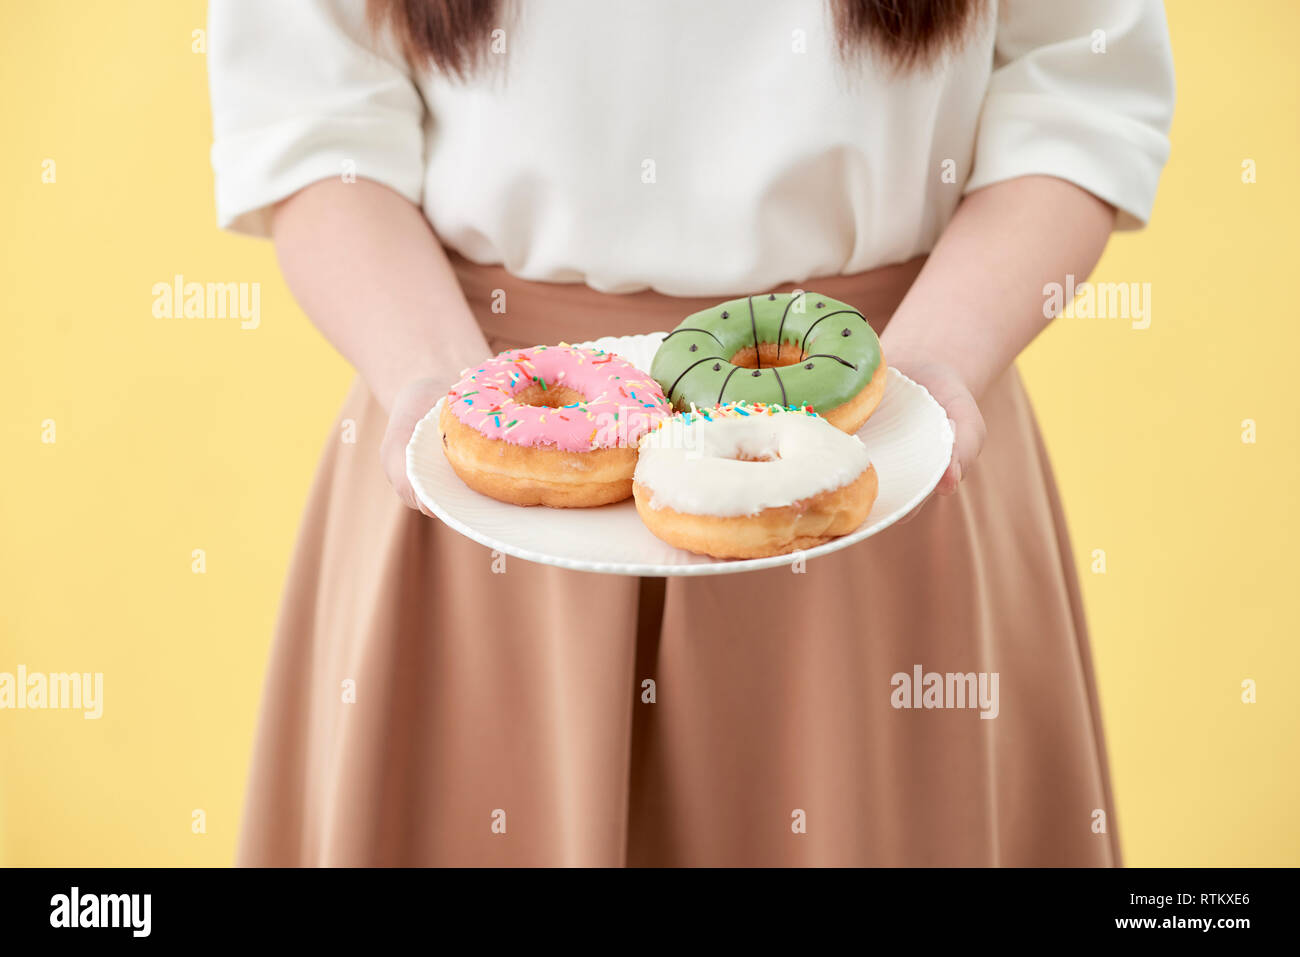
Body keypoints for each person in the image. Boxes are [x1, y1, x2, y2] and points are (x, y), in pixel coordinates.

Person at [208, 0, 1175, 866]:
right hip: (482, 481)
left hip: (892, 446)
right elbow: (315, 123)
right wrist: (428, 378)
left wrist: (929, 373)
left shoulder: (902, 416)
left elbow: (1073, 91)